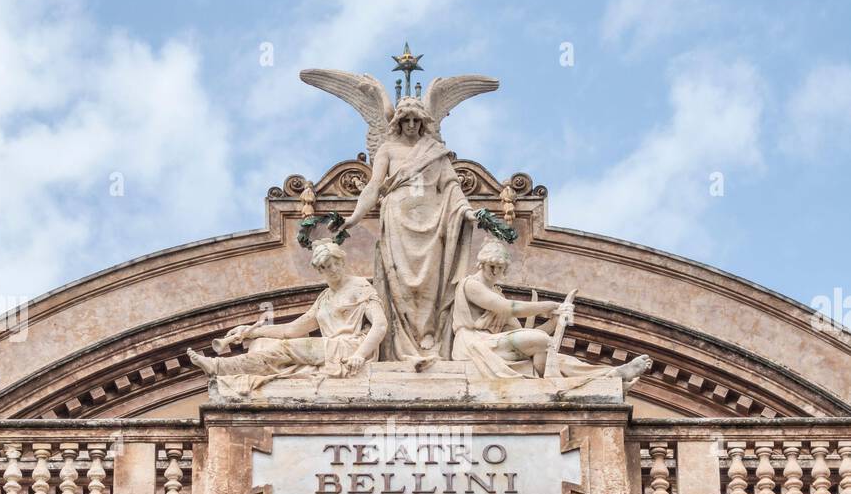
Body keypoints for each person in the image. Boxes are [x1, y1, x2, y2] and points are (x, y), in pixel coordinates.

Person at [341, 97, 477, 361]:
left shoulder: (434, 150)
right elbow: (374, 186)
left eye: (417, 120)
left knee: (432, 279)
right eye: (407, 120)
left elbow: (451, 186)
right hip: (397, 217)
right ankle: (404, 341)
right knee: (400, 280)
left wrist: (468, 211)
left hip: (434, 217)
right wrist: (354, 217)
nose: (412, 125)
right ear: (398, 122)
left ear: (423, 122)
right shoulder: (388, 150)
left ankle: (428, 334)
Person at [187, 240, 387, 395]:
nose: (333, 269)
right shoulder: (324, 298)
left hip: (347, 348)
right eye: (327, 266)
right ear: (320, 270)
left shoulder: (359, 286)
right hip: (329, 348)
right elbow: (290, 330)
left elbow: (379, 324)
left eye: (336, 263)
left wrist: (359, 356)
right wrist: (250, 332)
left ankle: (219, 366)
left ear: (342, 261)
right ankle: (234, 372)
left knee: (284, 349)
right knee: (262, 344)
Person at [452, 238, 652, 388]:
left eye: (500, 267)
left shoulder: (497, 293)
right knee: (541, 343)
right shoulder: (471, 285)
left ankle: (608, 375)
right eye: (491, 266)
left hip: (497, 345)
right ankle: (554, 385)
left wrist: (555, 322)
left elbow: (520, 333)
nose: (495, 271)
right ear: (481, 263)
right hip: (475, 346)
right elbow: (509, 308)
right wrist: (549, 306)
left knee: (551, 354)